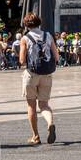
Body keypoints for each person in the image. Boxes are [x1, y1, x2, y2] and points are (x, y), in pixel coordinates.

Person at [18, 13, 57, 145]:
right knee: (44, 105)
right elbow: (56, 57)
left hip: (31, 74)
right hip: (47, 74)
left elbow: (22, 60)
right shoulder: (48, 35)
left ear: (26, 25)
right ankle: (50, 123)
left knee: (31, 106)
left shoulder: (25, 38)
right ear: (39, 23)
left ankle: (35, 136)